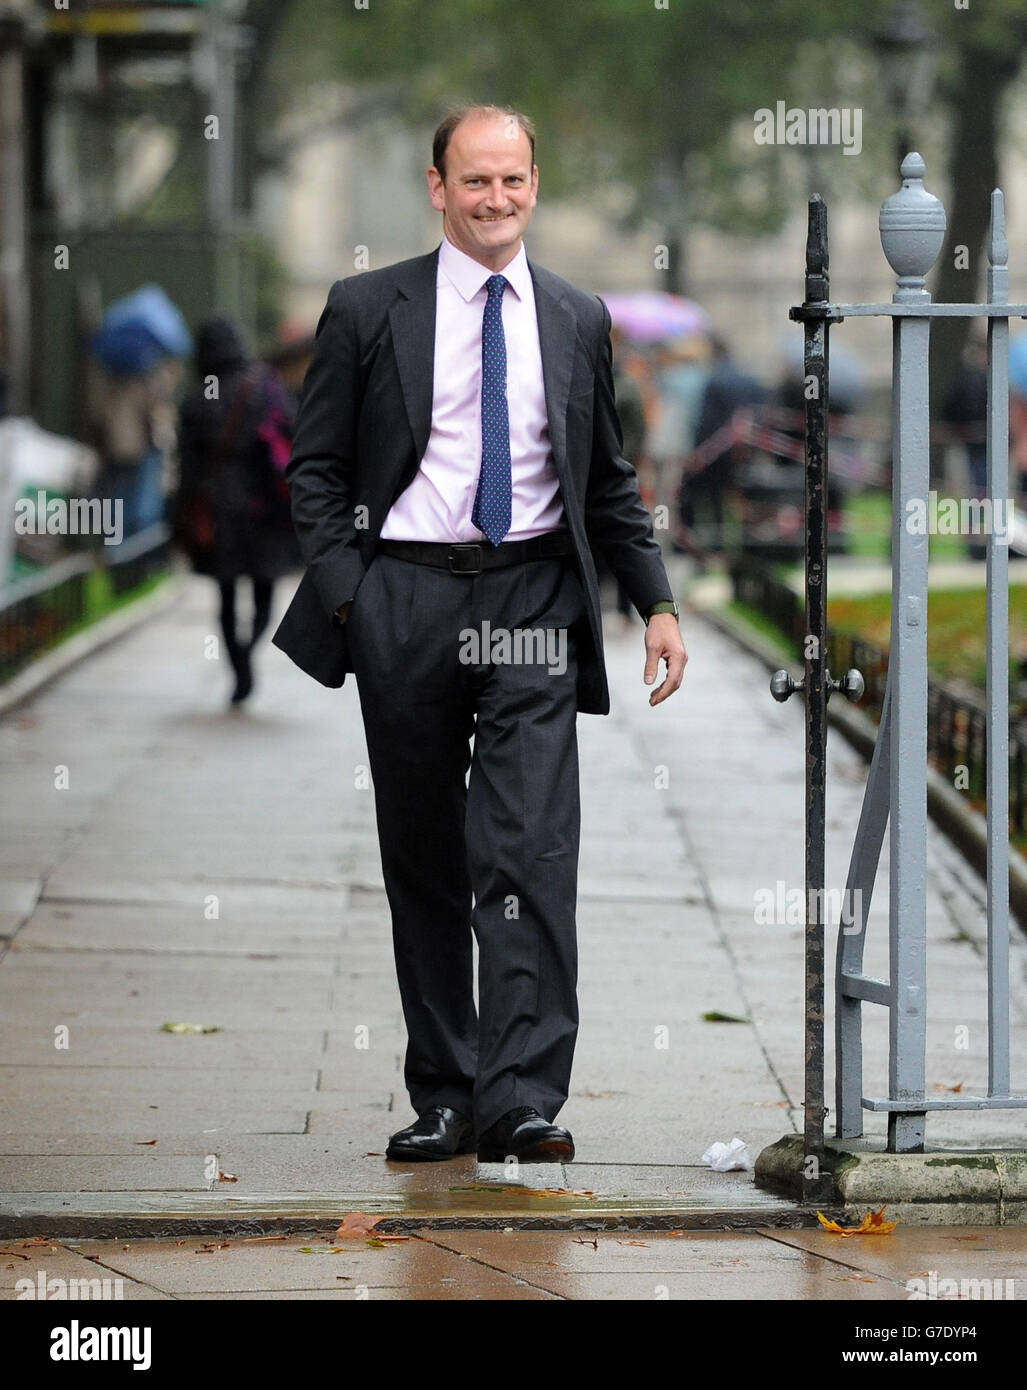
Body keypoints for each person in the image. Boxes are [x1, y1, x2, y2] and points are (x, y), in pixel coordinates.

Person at [273, 104, 687, 1164]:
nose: (494, 200)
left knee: (528, 848)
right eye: (474, 182)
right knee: (422, 853)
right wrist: (349, 598)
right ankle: (447, 1091)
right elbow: (314, 467)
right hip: (404, 597)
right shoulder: (369, 308)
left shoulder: (576, 315)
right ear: (436, 187)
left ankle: (520, 1094)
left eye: (512, 181)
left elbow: (605, 481)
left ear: (534, 186)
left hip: (534, 598)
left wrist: (657, 602)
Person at [174, 316, 300, 706]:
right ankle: (248, 653)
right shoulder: (264, 385)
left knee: (226, 593)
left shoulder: (197, 398)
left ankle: (239, 668)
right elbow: (291, 431)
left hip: (218, 506)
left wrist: (183, 513)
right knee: (264, 589)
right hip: (264, 503)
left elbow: (187, 467)